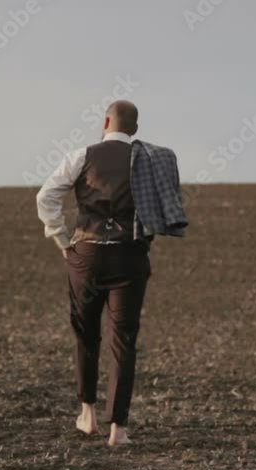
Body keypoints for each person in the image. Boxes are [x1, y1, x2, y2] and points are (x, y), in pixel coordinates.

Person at [36, 100, 188, 446]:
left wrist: (62, 240)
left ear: (105, 121)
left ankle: (87, 415)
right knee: (124, 340)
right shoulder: (149, 161)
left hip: (85, 255)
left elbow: (45, 197)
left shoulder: (80, 156)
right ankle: (118, 429)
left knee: (86, 335)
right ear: (134, 129)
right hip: (130, 256)